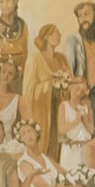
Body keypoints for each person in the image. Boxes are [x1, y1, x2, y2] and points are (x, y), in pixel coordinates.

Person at [24, 22, 70, 156]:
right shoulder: (34, 59)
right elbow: (29, 89)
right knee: (44, 144)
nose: (59, 35)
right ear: (47, 37)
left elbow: (70, 81)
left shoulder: (61, 59)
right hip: (43, 111)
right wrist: (49, 85)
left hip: (60, 109)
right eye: (56, 33)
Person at [62, 0, 95, 111]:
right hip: (78, 101)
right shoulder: (72, 41)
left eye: (87, 14)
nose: (83, 19)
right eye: (80, 16)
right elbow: (67, 74)